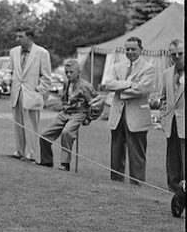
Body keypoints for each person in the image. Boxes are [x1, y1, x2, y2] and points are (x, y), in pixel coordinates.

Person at [100, 36, 156, 186]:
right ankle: (116, 181)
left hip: (137, 115)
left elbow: (143, 89)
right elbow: (108, 84)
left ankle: (136, 184)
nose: (130, 52)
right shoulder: (117, 66)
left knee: (137, 151)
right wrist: (130, 84)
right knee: (116, 150)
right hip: (117, 114)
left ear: (141, 49)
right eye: (128, 49)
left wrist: (121, 89)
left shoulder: (148, 68)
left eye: (133, 49)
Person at [37, 59, 98, 171]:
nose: (68, 74)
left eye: (71, 72)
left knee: (67, 133)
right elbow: (64, 99)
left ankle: (65, 164)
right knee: (44, 135)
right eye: (66, 72)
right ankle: (46, 161)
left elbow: (96, 104)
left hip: (79, 113)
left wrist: (89, 118)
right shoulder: (66, 84)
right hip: (65, 112)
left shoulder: (86, 86)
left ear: (78, 71)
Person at [5, 26, 52, 161]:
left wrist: (37, 91)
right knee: (18, 124)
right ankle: (19, 151)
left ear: (30, 37)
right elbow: (10, 70)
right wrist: (6, 79)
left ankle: (31, 154)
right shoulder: (13, 52)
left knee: (31, 125)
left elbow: (47, 77)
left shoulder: (42, 53)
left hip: (31, 95)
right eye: (17, 36)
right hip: (16, 93)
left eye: (21, 36)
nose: (17, 39)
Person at [158, 39, 184, 210]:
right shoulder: (167, 73)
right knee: (172, 159)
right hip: (171, 123)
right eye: (173, 54)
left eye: (180, 53)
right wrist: (162, 115)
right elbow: (163, 98)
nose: (176, 57)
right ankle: (174, 194)